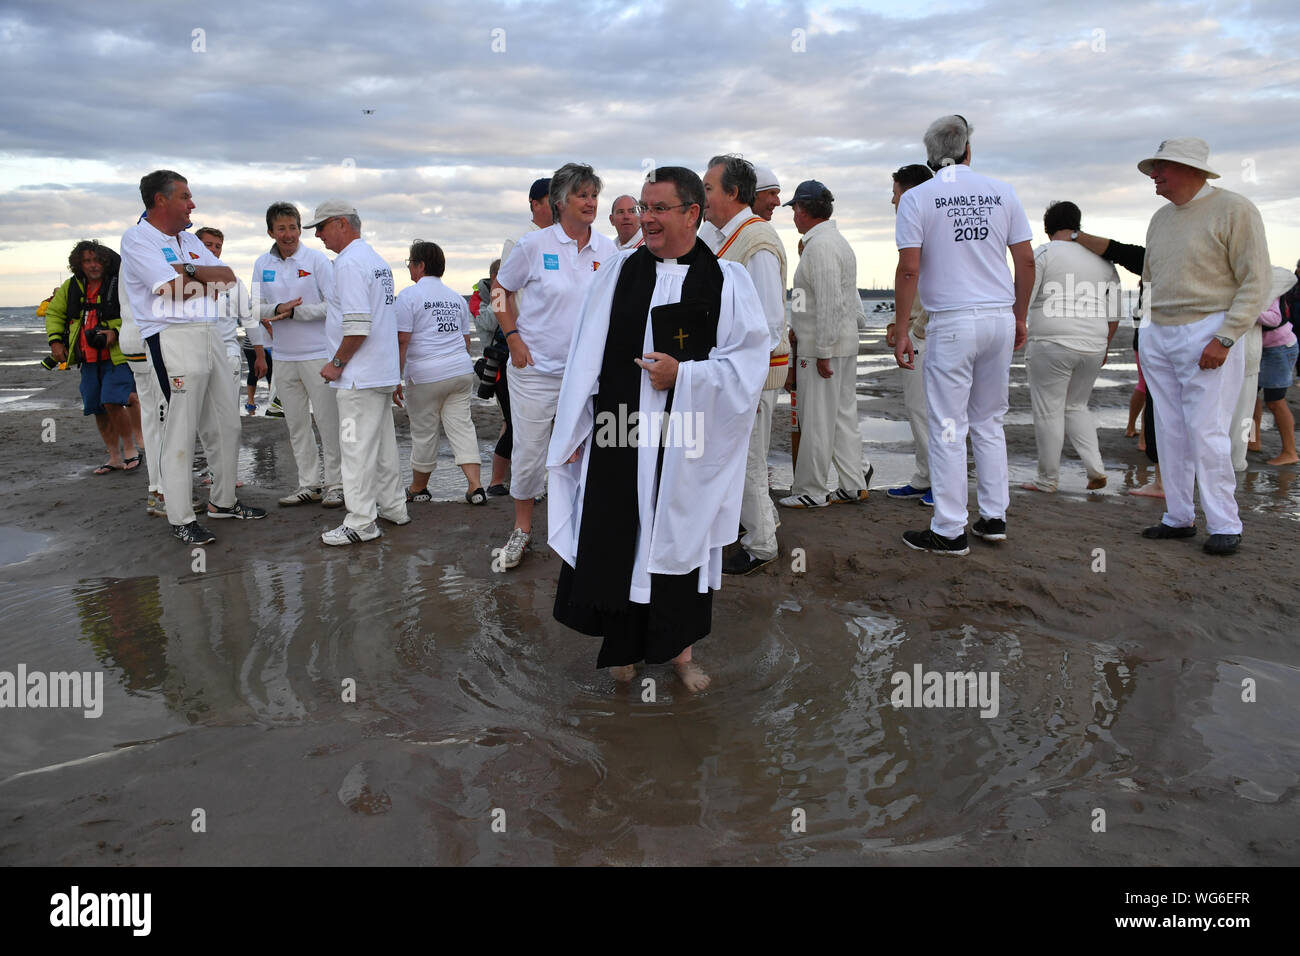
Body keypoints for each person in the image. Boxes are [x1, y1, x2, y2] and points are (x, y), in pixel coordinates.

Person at [548, 166, 769, 689]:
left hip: (686, 443)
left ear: (692, 213)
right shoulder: (618, 273)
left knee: (680, 540)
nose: (644, 218)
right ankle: (622, 653)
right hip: (620, 434)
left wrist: (685, 374)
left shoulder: (727, 282)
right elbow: (586, 358)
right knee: (618, 540)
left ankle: (680, 655)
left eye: (657, 209)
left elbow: (748, 367)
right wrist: (576, 431)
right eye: (642, 208)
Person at [893, 114, 1034, 554]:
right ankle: (993, 516)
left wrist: (900, 329)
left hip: (952, 320)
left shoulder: (919, 198)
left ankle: (950, 527)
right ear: (969, 150)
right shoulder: (1002, 191)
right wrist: (1021, 315)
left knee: (949, 426)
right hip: (998, 316)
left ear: (931, 157)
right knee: (989, 420)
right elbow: (1026, 262)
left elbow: (910, 267)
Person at [1135, 137, 1272, 556]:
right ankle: (1178, 516)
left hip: (1209, 328)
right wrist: (1146, 330)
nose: (1155, 175)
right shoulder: (1160, 219)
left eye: (1163, 167)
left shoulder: (1235, 209)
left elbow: (1256, 281)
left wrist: (1226, 336)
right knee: (1171, 429)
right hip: (1160, 330)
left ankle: (1225, 523)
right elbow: (1149, 279)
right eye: (1155, 167)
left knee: (1206, 429)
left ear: (1191, 169)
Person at [119, 170, 266, 544]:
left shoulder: (187, 240)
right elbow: (170, 291)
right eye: (185, 197)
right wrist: (196, 279)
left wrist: (187, 270)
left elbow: (229, 277)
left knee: (227, 424)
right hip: (171, 337)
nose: (192, 204)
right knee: (181, 427)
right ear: (160, 200)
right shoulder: (138, 239)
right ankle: (180, 516)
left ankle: (223, 502)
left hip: (208, 334)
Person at [490, 163, 618, 569]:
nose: (590, 202)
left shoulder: (609, 251)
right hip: (535, 372)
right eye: (582, 195)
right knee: (529, 455)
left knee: (581, 452)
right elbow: (499, 290)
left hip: (585, 374)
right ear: (560, 201)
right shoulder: (534, 245)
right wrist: (513, 338)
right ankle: (522, 530)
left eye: (594, 195)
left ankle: (577, 530)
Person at [700, 154, 788, 574]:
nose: (704, 197)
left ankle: (761, 546)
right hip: (733, 371)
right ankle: (758, 525)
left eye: (709, 189)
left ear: (732, 193)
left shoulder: (758, 241)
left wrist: (749, 382)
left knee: (749, 458)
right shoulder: (722, 237)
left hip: (752, 375)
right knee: (738, 455)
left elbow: (770, 322)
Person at [304, 200, 407, 545]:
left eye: (321, 227)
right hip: (380, 370)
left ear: (342, 224)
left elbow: (358, 325)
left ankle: (362, 521)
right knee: (382, 445)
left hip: (359, 375)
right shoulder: (375, 260)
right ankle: (394, 506)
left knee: (355, 447)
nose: (317, 235)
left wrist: (336, 364)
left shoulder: (348, 264)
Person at [779, 180, 869, 509]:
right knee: (843, 416)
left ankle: (811, 490)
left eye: (794, 210)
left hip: (823, 346)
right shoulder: (834, 241)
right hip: (838, 343)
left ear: (803, 210)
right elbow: (831, 300)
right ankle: (852, 483)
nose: (792, 217)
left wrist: (823, 351)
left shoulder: (820, 246)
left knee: (815, 419)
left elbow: (830, 300)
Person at [1021, 201, 1119, 493]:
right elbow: (1114, 314)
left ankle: (1047, 478)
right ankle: (1095, 469)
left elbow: (1024, 297)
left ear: (1047, 227)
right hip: (1094, 343)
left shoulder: (1043, 254)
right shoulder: (1104, 261)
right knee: (1077, 406)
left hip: (1051, 341)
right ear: (1078, 225)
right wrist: (1104, 347)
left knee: (1049, 410)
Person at [251, 202, 343, 508]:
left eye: (293, 227)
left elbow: (335, 305)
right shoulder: (262, 263)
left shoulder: (317, 260)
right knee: (296, 424)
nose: (288, 234)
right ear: (270, 231)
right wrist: (278, 310)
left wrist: (296, 314)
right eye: (281, 228)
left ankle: (336, 484)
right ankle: (309, 484)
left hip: (319, 355)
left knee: (328, 424)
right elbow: (254, 308)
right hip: (284, 357)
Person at [394, 240, 485, 503]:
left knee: (424, 431)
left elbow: (402, 341)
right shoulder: (456, 298)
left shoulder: (409, 296)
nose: (409, 268)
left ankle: (418, 488)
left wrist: (395, 378)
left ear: (420, 266)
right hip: (460, 371)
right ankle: (475, 486)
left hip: (425, 375)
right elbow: (466, 342)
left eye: (410, 262)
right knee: (462, 427)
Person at [44, 241, 142, 474]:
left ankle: (131, 450)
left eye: (97, 260)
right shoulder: (71, 287)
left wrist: (114, 332)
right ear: (78, 264)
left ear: (106, 262)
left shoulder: (121, 285)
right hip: (86, 358)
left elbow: (136, 314)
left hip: (117, 356)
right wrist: (56, 341)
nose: (93, 265)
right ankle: (114, 457)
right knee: (96, 406)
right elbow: (54, 313)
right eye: (87, 261)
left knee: (113, 400)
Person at [488, 178, 553, 498]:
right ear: (534, 204)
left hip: (564, 352)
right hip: (529, 351)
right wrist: (512, 335)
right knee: (528, 431)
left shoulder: (568, 238)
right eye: (550, 200)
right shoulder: (520, 240)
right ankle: (528, 490)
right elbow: (499, 294)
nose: (557, 206)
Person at [884, 164, 935, 505]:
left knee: (926, 411)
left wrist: (915, 329)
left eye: (896, 193)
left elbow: (934, 281)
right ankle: (924, 476)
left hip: (927, 334)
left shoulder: (929, 227)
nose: (893, 201)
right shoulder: (923, 224)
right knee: (918, 409)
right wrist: (897, 322)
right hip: (920, 328)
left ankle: (940, 483)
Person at [1252, 267, 1299, 466]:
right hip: (1263, 350)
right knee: (1250, 397)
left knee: (1275, 401)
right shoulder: (1256, 286)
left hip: (1279, 349)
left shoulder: (1269, 287)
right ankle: (1253, 440)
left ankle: (1290, 452)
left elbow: (1275, 318)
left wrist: (1247, 311)